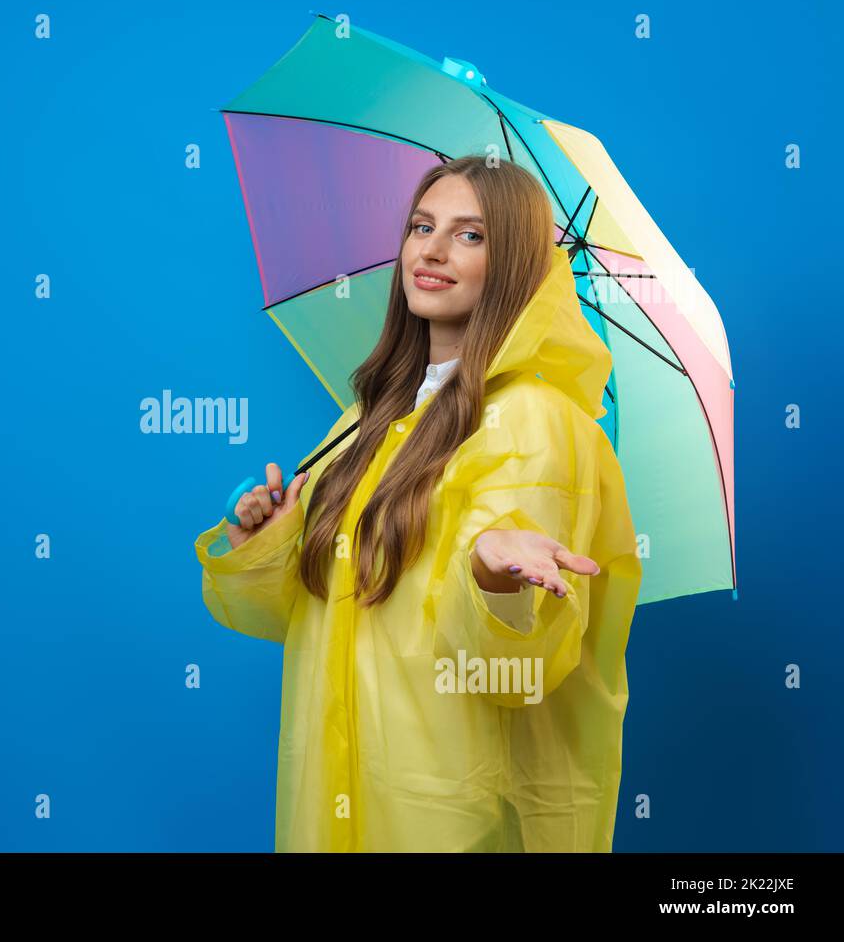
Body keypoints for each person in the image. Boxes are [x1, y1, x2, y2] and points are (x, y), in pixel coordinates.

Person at [193, 155, 643, 852]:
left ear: (519, 263)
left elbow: (522, 667)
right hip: (340, 788)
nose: (430, 250)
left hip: (451, 812)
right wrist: (280, 534)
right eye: (421, 225)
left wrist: (493, 578)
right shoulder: (366, 419)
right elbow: (310, 612)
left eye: (471, 235)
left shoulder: (535, 422)